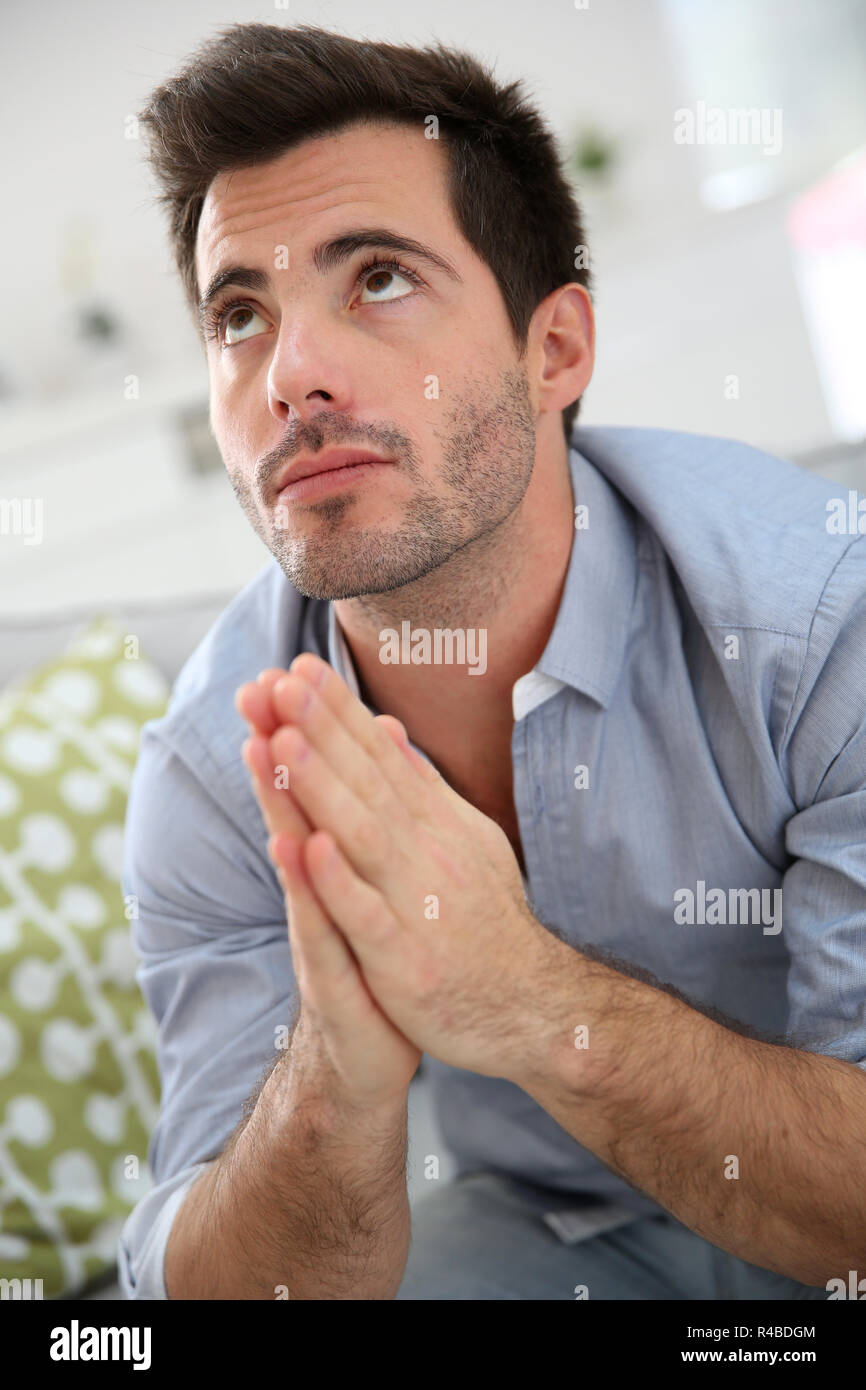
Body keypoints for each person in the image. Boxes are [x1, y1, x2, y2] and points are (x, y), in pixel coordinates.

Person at [118, 22, 864, 1300]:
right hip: (535, 1237)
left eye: (380, 279)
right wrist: (333, 1078)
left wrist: (521, 997)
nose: (290, 371)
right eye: (238, 313)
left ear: (553, 351)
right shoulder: (212, 770)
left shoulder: (819, 626)